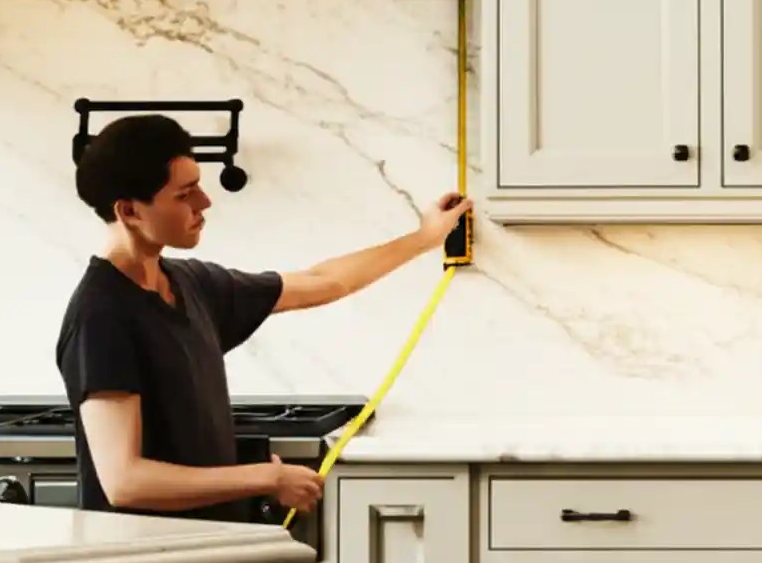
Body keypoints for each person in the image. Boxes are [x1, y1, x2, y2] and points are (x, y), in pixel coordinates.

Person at [54, 114, 472, 523]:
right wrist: (266, 478)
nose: (204, 202)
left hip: (201, 550)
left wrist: (425, 238)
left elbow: (324, 281)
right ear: (129, 211)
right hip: (141, 562)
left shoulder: (191, 284)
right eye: (184, 195)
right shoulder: (102, 316)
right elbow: (125, 482)